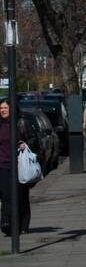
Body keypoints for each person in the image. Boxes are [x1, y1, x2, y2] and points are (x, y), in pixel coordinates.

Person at [0, 99, 40, 236]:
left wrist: (25, 143)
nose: (3, 110)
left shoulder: (21, 123)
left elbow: (35, 140)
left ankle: (23, 223)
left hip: (19, 165)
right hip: (3, 165)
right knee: (6, 195)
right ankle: (6, 222)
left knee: (20, 196)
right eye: (1, 108)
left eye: (5, 108)